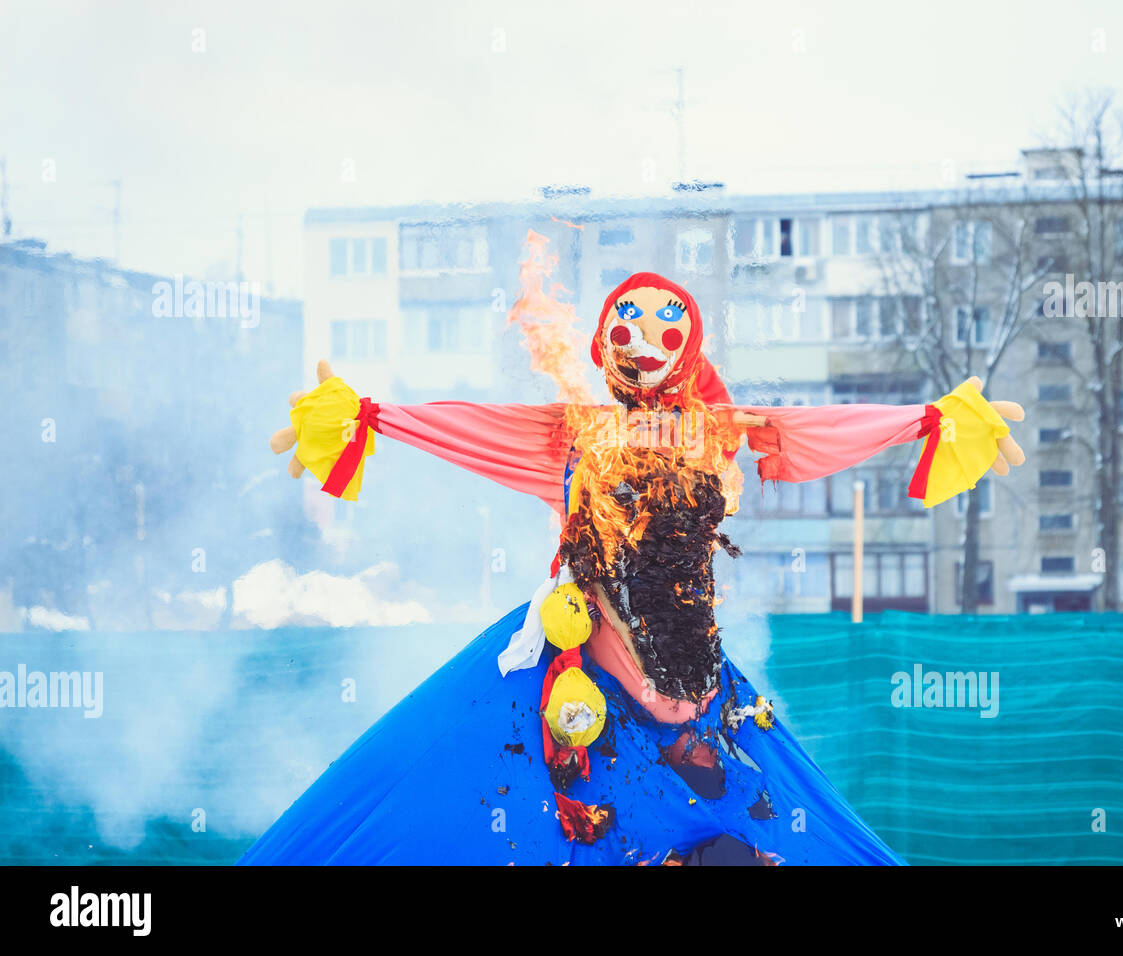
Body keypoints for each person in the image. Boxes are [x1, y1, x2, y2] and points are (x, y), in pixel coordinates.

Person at [239, 271, 1026, 865]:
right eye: (629, 323)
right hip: (581, 681)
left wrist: (932, 423)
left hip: (695, 693)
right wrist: (369, 418)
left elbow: (821, 431)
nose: (644, 338)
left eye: (664, 325)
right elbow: (474, 429)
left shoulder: (721, 432)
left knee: (764, 825)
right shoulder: (576, 437)